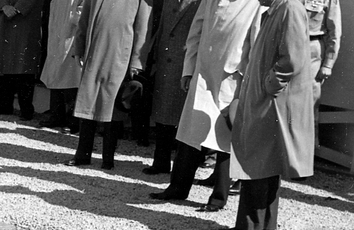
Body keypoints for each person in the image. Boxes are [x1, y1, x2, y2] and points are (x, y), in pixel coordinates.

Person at [149, 0, 262, 212]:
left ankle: (219, 198)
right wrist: (189, 70)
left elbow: (255, 44)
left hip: (231, 78)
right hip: (202, 75)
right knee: (190, 134)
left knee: (225, 139)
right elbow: (195, 33)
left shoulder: (253, 4)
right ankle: (177, 188)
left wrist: (246, 81)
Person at [219, 0, 313, 230]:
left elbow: (291, 59)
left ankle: (251, 226)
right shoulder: (279, 9)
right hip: (267, 98)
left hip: (271, 100)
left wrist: (268, 86)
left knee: (257, 160)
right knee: (265, 162)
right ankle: (262, 227)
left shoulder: (289, 8)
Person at [66, 0, 152, 170]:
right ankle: (82, 155)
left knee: (113, 109)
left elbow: (143, 30)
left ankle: (108, 159)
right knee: (88, 104)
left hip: (120, 56)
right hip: (94, 53)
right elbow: (84, 21)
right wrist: (79, 48)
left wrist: (136, 61)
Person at [142, 0, 201, 175]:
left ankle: (184, 167)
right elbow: (162, 28)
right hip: (165, 62)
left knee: (183, 119)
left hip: (186, 64)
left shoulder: (201, 2)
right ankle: (161, 161)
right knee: (163, 114)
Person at [0, 0, 44, 121]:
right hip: (4, 17)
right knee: (4, 61)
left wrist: (19, 8)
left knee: (23, 61)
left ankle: (26, 109)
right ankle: (3, 105)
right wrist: (3, 6)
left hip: (25, 18)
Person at [37, 0, 83, 131]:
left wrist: (71, 17)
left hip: (72, 36)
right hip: (57, 35)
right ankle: (56, 115)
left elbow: (82, 12)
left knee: (70, 77)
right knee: (55, 75)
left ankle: (73, 121)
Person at [302, 0, 341, 145]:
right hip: (287, 47)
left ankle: (308, 148)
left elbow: (335, 32)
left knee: (310, 101)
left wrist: (328, 64)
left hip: (312, 49)